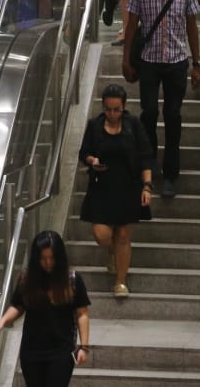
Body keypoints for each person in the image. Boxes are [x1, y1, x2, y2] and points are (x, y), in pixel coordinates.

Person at [122, 0, 200, 199]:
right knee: (148, 112)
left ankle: (171, 173)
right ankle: (149, 164)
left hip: (177, 61)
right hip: (149, 60)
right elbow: (132, 26)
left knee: (173, 116)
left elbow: (192, 27)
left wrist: (197, 63)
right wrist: (126, 60)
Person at [0, 231, 91, 387]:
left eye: (52, 258)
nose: (48, 263)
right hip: (32, 350)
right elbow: (18, 305)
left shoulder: (72, 280)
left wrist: (84, 347)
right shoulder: (27, 279)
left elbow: (82, 313)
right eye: (43, 259)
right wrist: (1, 322)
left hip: (61, 349)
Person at [78, 84, 154, 298]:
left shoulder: (133, 125)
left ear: (124, 107)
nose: (112, 114)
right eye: (108, 109)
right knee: (101, 234)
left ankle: (120, 281)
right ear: (103, 107)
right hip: (101, 185)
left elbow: (146, 155)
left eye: (117, 109)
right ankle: (111, 251)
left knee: (123, 234)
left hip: (128, 185)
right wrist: (92, 160)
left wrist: (147, 186)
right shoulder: (94, 125)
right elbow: (84, 153)